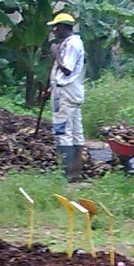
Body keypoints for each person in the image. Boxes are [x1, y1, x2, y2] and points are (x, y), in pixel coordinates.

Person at [48, 10, 86, 180]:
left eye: (56, 27)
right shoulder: (75, 43)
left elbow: (66, 69)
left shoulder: (71, 44)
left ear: (63, 27)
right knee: (76, 130)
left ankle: (66, 173)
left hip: (66, 92)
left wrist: (55, 53)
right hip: (70, 91)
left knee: (63, 130)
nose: (54, 31)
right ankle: (75, 170)